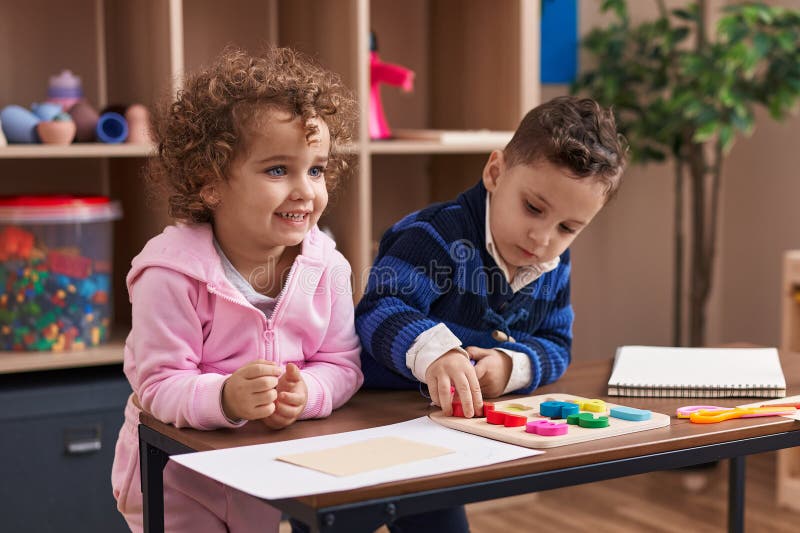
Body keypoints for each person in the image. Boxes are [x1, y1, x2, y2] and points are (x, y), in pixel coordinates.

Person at [111, 46, 363, 533]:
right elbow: (159, 385)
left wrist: (308, 392)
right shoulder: (170, 273)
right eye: (277, 170)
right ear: (211, 183)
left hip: (266, 479)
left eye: (316, 169)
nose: (306, 190)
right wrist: (224, 397)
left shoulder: (327, 266)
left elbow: (342, 364)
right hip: (178, 482)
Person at [355, 95, 627, 531]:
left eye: (567, 228)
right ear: (495, 172)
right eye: (534, 209)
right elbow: (379, 309)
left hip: (442, 432)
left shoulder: (551, 264)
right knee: (342, 517)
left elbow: (557, 344)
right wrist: (438, 353)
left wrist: (510, 364)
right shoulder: (432, 236)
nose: (542, 238)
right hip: (370, 420)